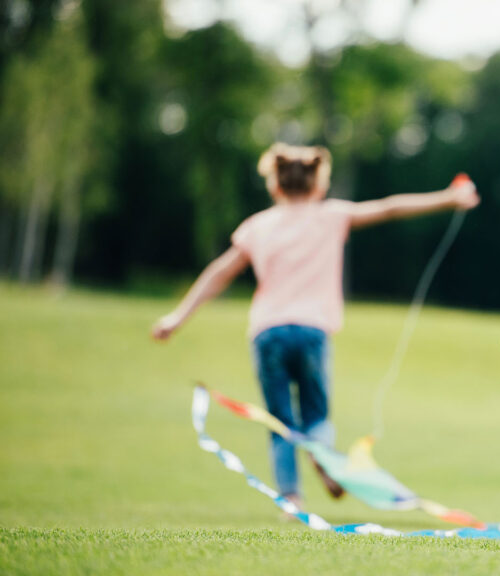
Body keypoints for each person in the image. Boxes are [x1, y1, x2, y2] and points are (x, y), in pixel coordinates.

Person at [153, 143, 479, 507]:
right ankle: (325, 461)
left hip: (268, 332)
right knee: (316, 415)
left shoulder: (258, 226)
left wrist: (177, 317)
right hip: (311, 331)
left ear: (275, 185)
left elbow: (220, 272)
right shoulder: (331, 215)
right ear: (319, 185)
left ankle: (291, 501)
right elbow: (390, 207)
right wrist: (449, 198)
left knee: (280, 422)